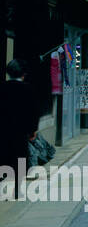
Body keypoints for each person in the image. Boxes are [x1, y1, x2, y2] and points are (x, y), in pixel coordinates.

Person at [1, 59, 40, 191]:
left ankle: (3, 185)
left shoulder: (3, 88)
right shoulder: (28, 89)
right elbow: (34, 112)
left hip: (4, 130)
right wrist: (33, 130)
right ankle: (17, 189)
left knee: (5, 156)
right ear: (23, 74)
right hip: (21, 131)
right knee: (20, 158)